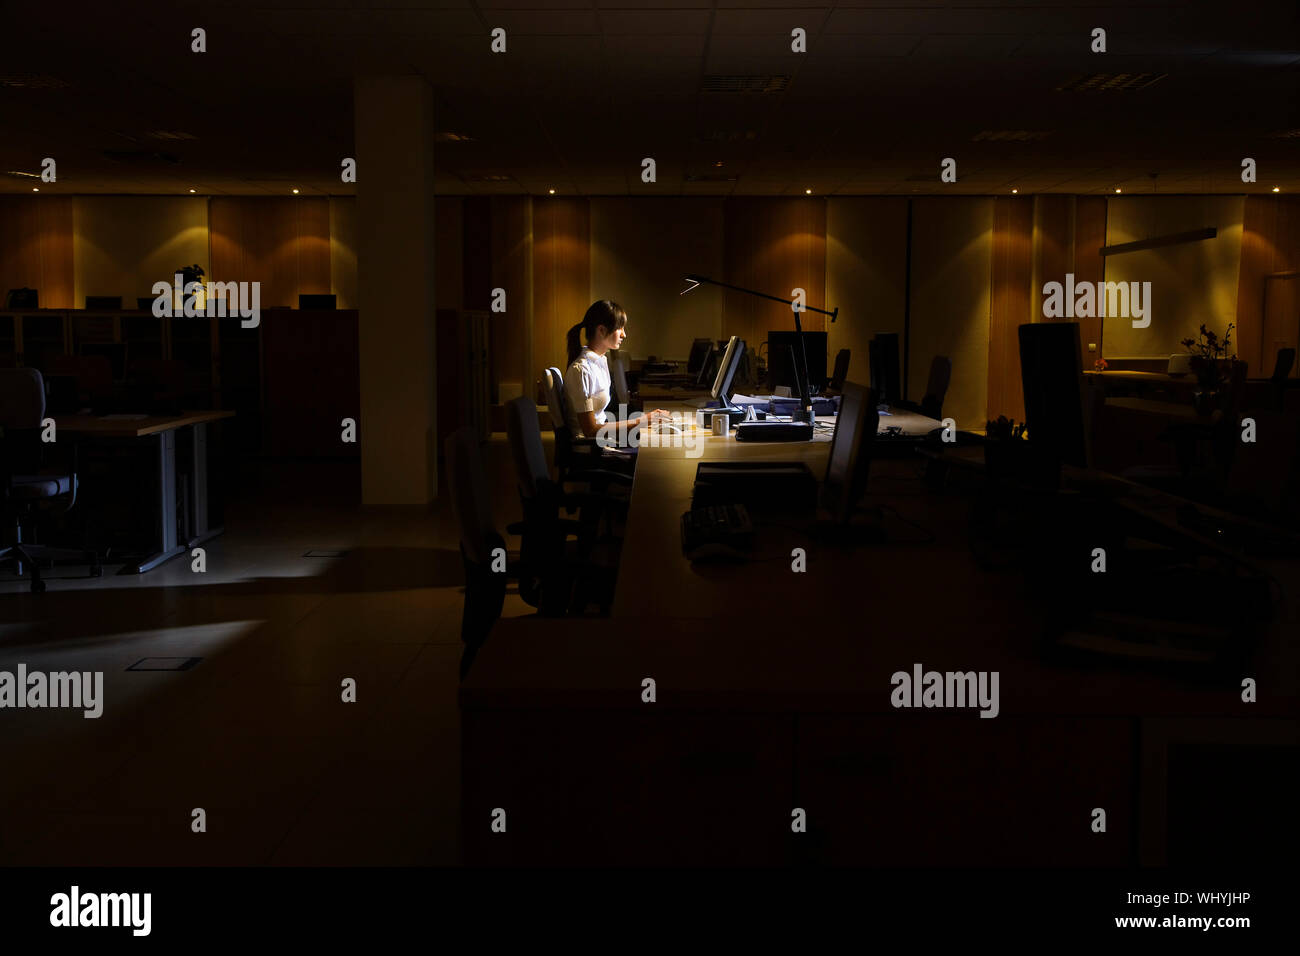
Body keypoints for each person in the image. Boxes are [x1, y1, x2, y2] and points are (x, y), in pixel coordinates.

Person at [563, 300, 670, 440]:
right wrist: (643, 420)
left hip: (601, 440)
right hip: (591, 448)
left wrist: (644, 420)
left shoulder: (600, 361)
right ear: (601, 330)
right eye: (620, 328)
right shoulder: (582, 369)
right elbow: (590, 430)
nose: (624, 335)